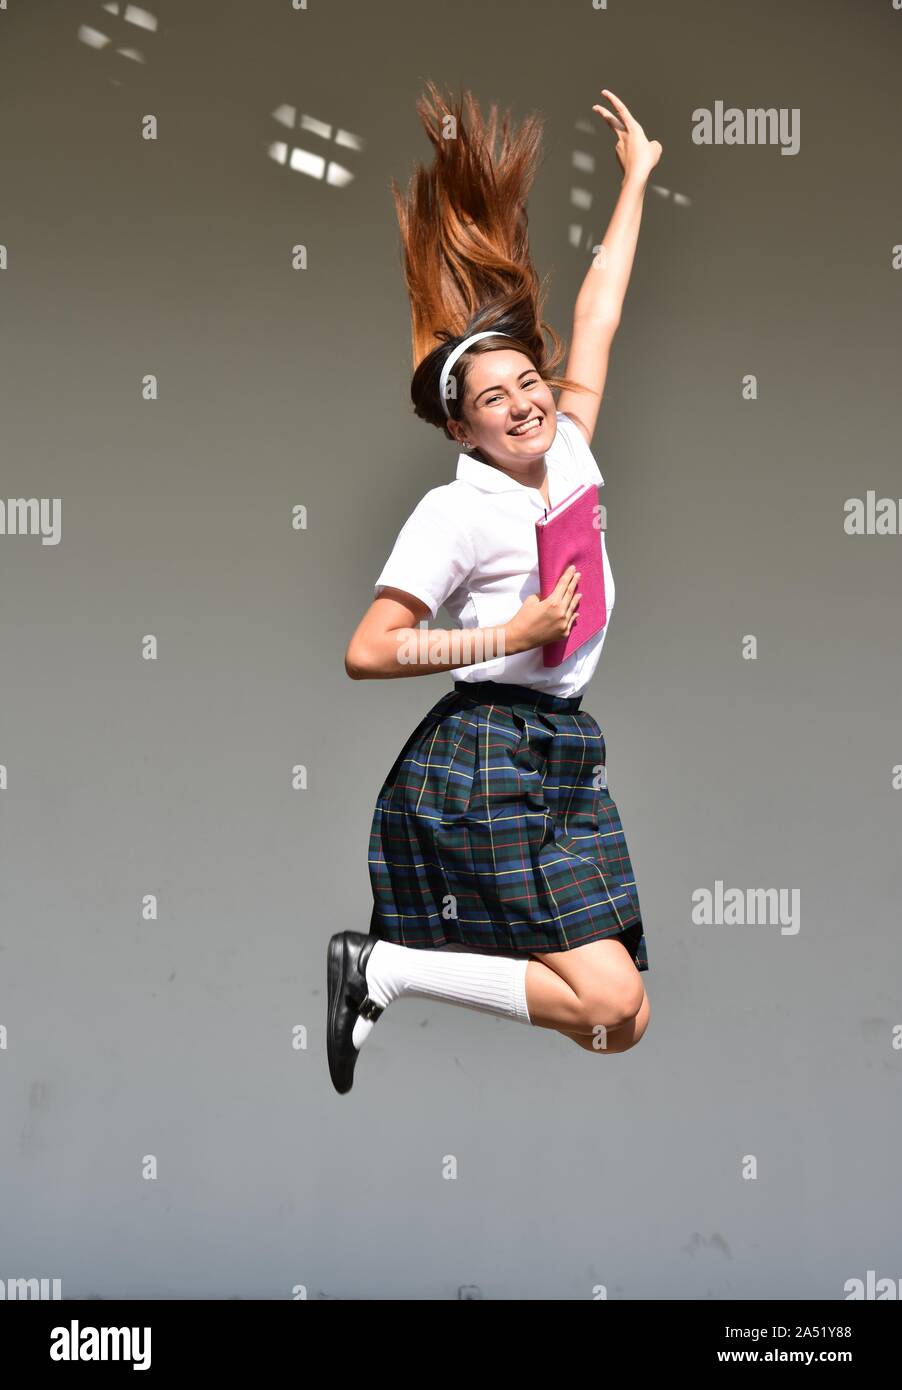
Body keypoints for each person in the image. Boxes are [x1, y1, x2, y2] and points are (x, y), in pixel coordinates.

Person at [328, 80, 662, 1094]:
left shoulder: (568, 451)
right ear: (458, 427)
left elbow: (599, 313)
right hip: (484, 753)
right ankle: (379, 967)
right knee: (603, 1005)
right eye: (493, 398)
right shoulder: (455, 512)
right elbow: (368, 649)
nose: (523, 404)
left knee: (623, 1018)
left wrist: (635, 183)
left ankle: (383, 967)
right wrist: (505, 631)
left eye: (529, 382)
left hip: (560, 746)